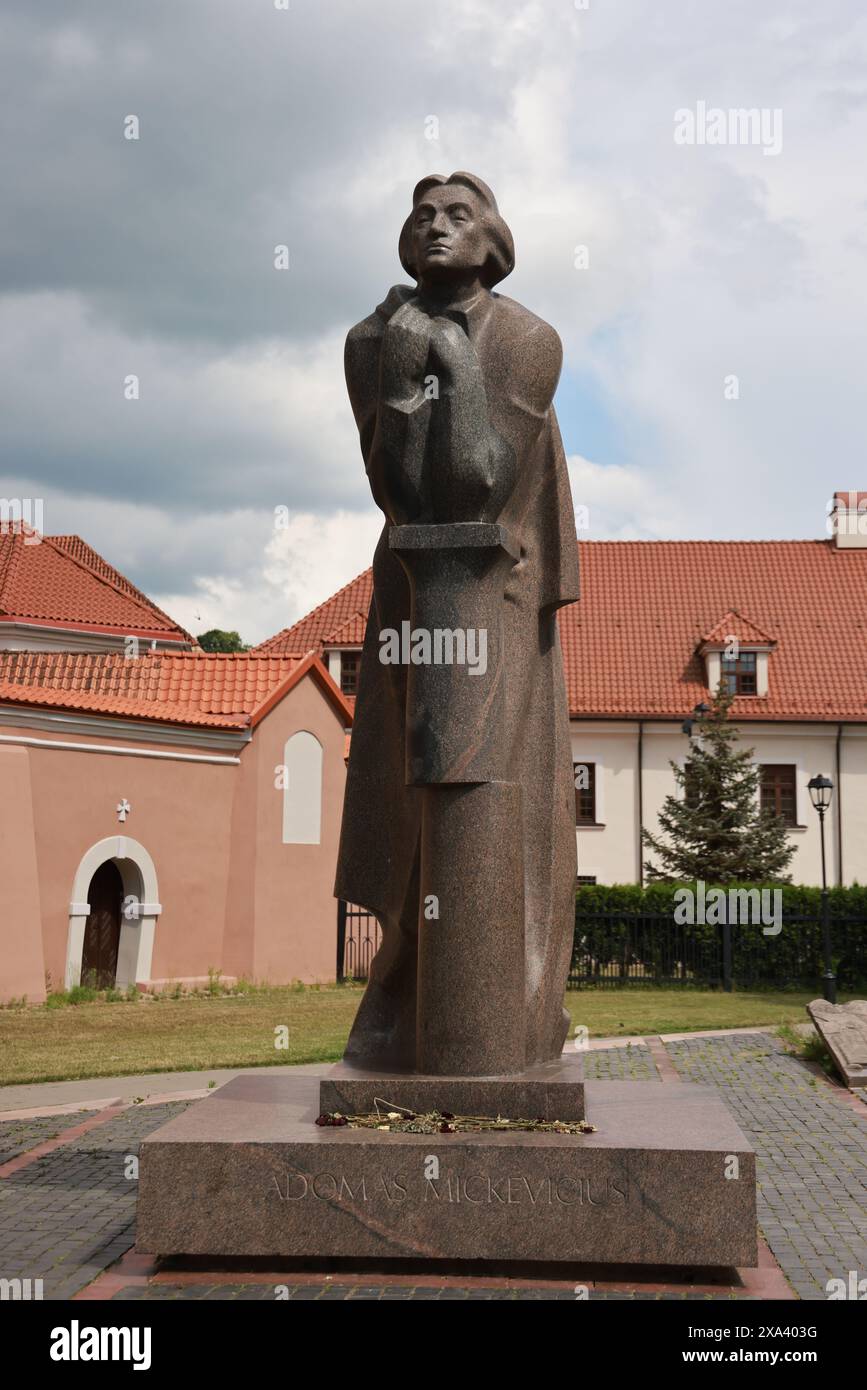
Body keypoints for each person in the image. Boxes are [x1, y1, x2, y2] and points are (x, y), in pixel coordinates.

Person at [335, 172, 580, 1071]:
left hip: (498, 595)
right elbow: (397, 490)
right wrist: (402, 371)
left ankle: (496, 1023)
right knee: (408, 808)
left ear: (493, 243)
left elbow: (478, 477)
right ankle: (404, 1011)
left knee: (490, 792)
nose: (436, 227)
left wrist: (452, 365)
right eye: (422, 216)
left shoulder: (526, 341)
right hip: (411, 592)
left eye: (459, 215)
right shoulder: (370, 342)